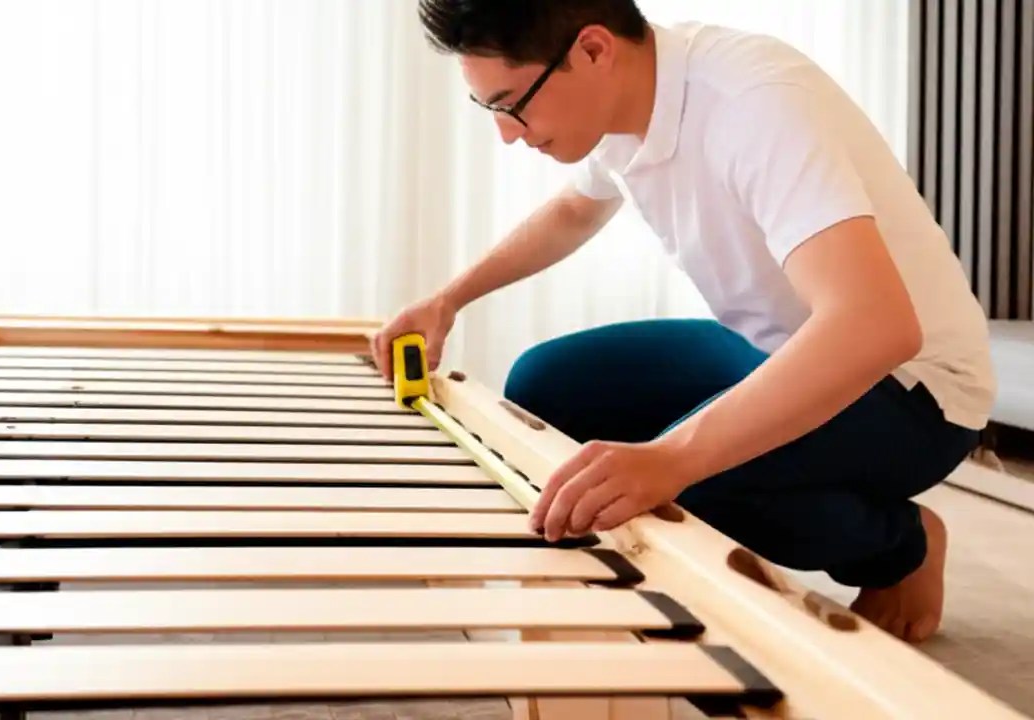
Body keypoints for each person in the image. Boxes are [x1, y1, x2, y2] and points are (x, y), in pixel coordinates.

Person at [370, 0, 995, 645]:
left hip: (914, 392)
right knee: (544, 387)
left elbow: (875, 327)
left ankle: (901, 546)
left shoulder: (754, 102)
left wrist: (673, 459)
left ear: (592, 50)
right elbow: (571, 213)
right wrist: (450, 298)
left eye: (510, 104)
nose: (508, 132)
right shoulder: (622, 99)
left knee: (690, 484)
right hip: (774, 346)